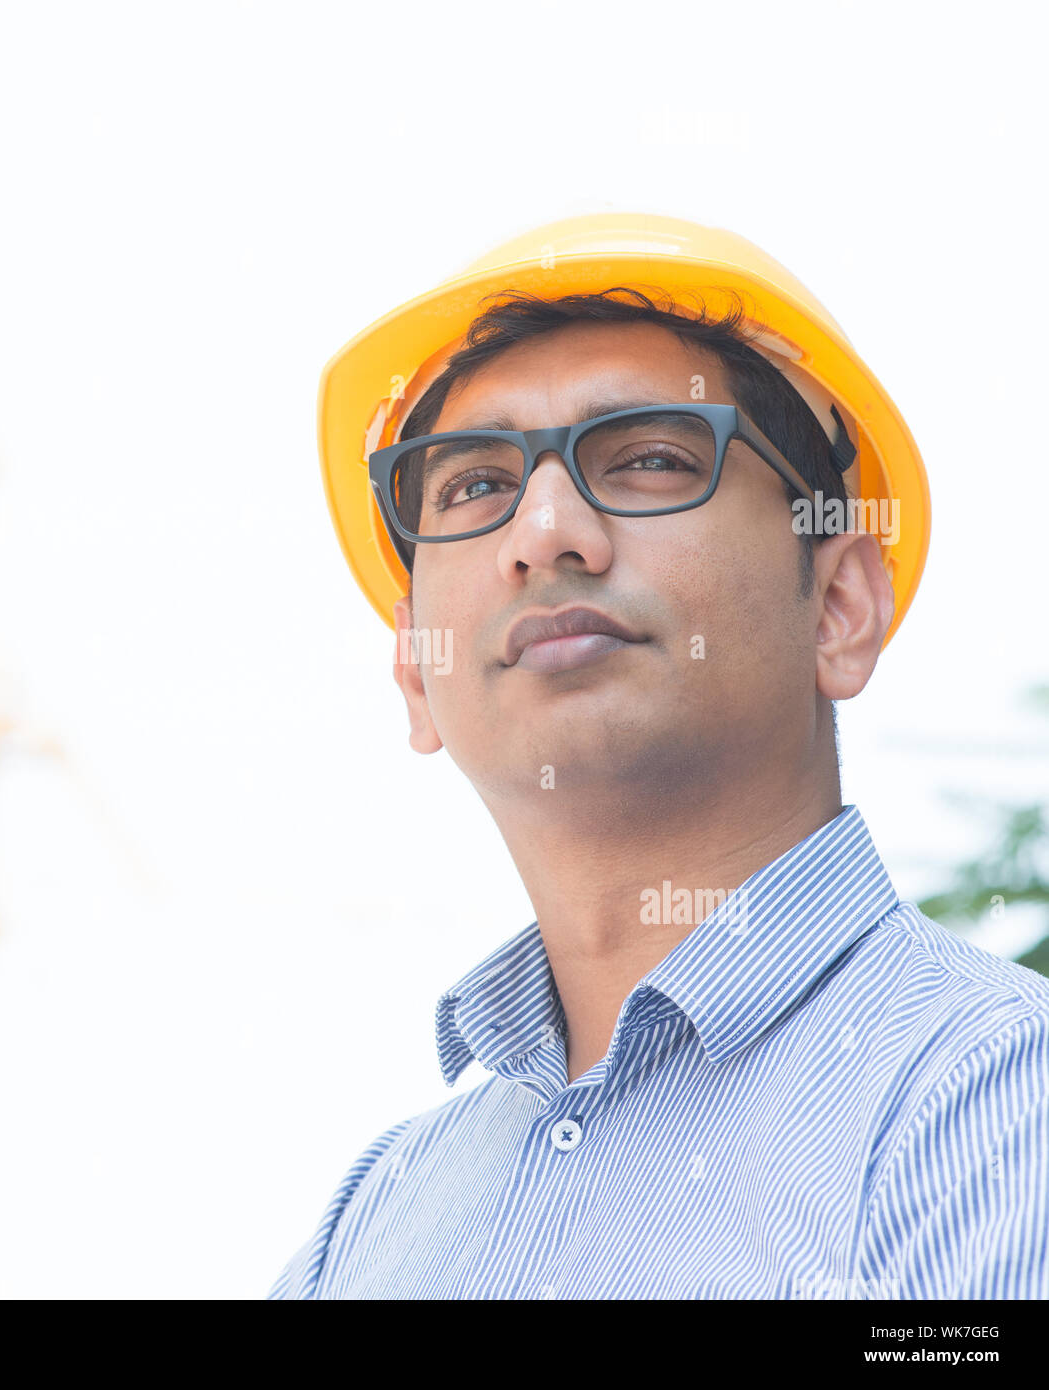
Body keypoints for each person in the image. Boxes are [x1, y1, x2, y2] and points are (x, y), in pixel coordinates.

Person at [269, 214, 1049, 1299]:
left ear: (835, 607)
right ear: (415, 670)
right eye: (474, 487)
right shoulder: (372, 1220)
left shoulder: (997, 1097)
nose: (545, 529)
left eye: (648, 458)